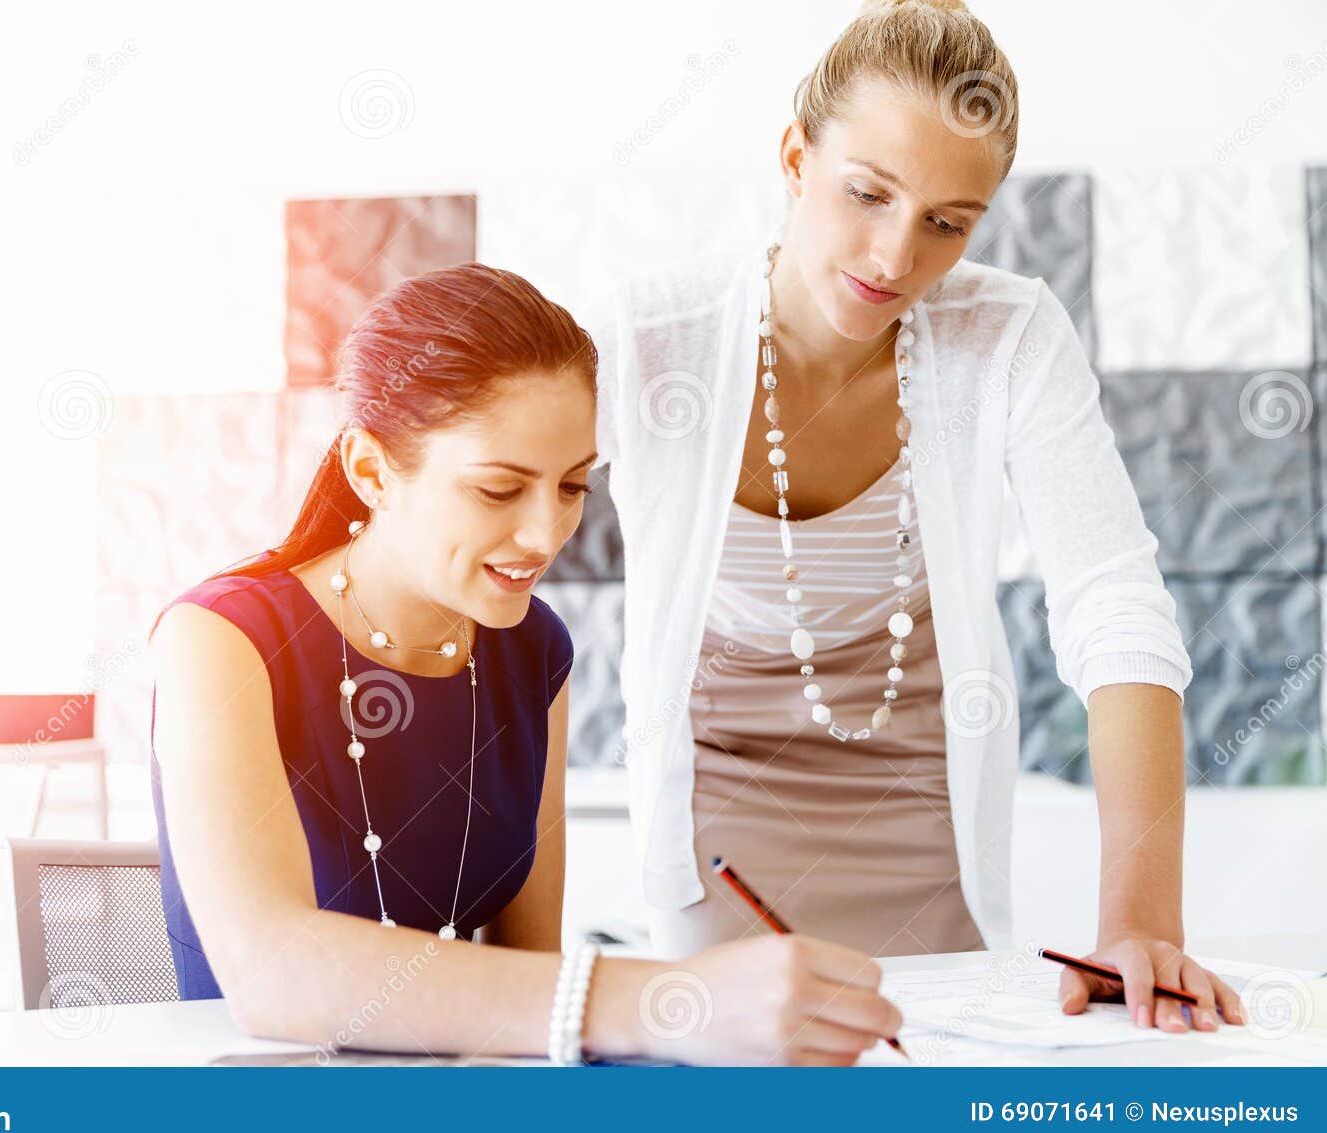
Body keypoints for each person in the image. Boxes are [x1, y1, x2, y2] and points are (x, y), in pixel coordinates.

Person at [590, 0, 1245, 1033]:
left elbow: (1111, 598)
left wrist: (1139, 920)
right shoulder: (650, 338)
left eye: (947, 220)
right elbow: (483, 527)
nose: (895, 257)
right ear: (795, 156)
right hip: (718, 808)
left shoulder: (1006, 332)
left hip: (921, 795)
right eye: (867, 192)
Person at [147, 261, 905, 1065]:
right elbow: (272, 975)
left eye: (573, 485)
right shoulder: (219, 637)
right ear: (372, 471)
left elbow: (531, 988)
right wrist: (658, 1000)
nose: (547, 535)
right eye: (500, 490)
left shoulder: (531, 648)